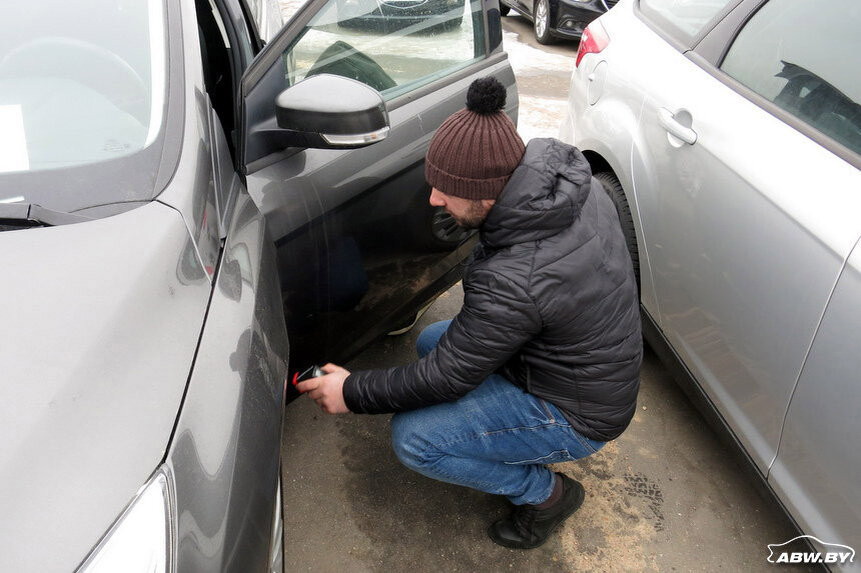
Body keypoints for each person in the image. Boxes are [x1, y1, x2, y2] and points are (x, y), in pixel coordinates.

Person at [296, 76, 642, 550]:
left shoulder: (518, 276)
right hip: (574, 365)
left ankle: (546, 495)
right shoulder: (562, 191)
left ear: (487, 194)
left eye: (445, 190)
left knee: (416, 439)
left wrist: (351, 391)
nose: (434, 199)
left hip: (575, 412)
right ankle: (492, 434)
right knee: (430, 340)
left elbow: (446, 379)